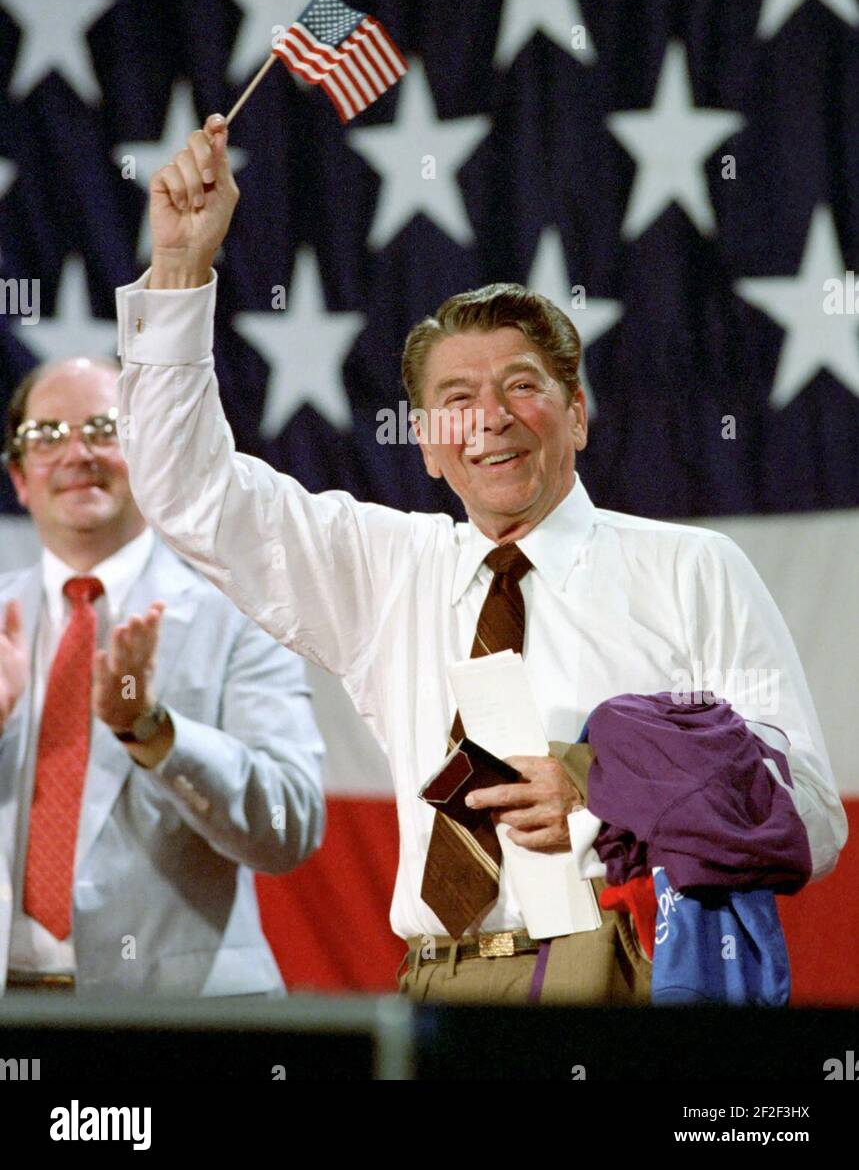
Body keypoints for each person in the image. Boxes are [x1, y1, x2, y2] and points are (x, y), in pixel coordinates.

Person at [113, 114, 847, 1005]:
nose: (490, 417)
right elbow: (187, 490)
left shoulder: (692, 568)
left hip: (623, 974)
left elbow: (808, 820)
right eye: (456, 399)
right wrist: (185, 268)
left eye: (522, 387)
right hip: (439, 992)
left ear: (575, 414)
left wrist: (606, 787)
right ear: (425, 443)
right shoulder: (387, 571)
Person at [0, 354, 325, 997]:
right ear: (18, 477)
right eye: (46, 437)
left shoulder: (242, 612)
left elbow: (291, 825)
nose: (76, 454)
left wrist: (153, 731)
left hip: (176, 1019)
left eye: (104, 429)